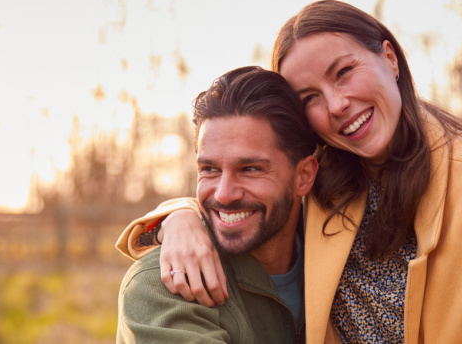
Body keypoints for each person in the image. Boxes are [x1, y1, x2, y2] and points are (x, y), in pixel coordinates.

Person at [117, 0, 462, 344]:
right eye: (310, 98)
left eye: (343, 72)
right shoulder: (323, 183)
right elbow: (240, 187)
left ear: (389, 58)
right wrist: (181, 217)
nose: (337, 105)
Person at [116, 66, 317, 343]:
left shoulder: (346, 260)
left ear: (303, 176)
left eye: (250, 169)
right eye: (209, 169)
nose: (224, 194)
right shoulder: (163, 282)